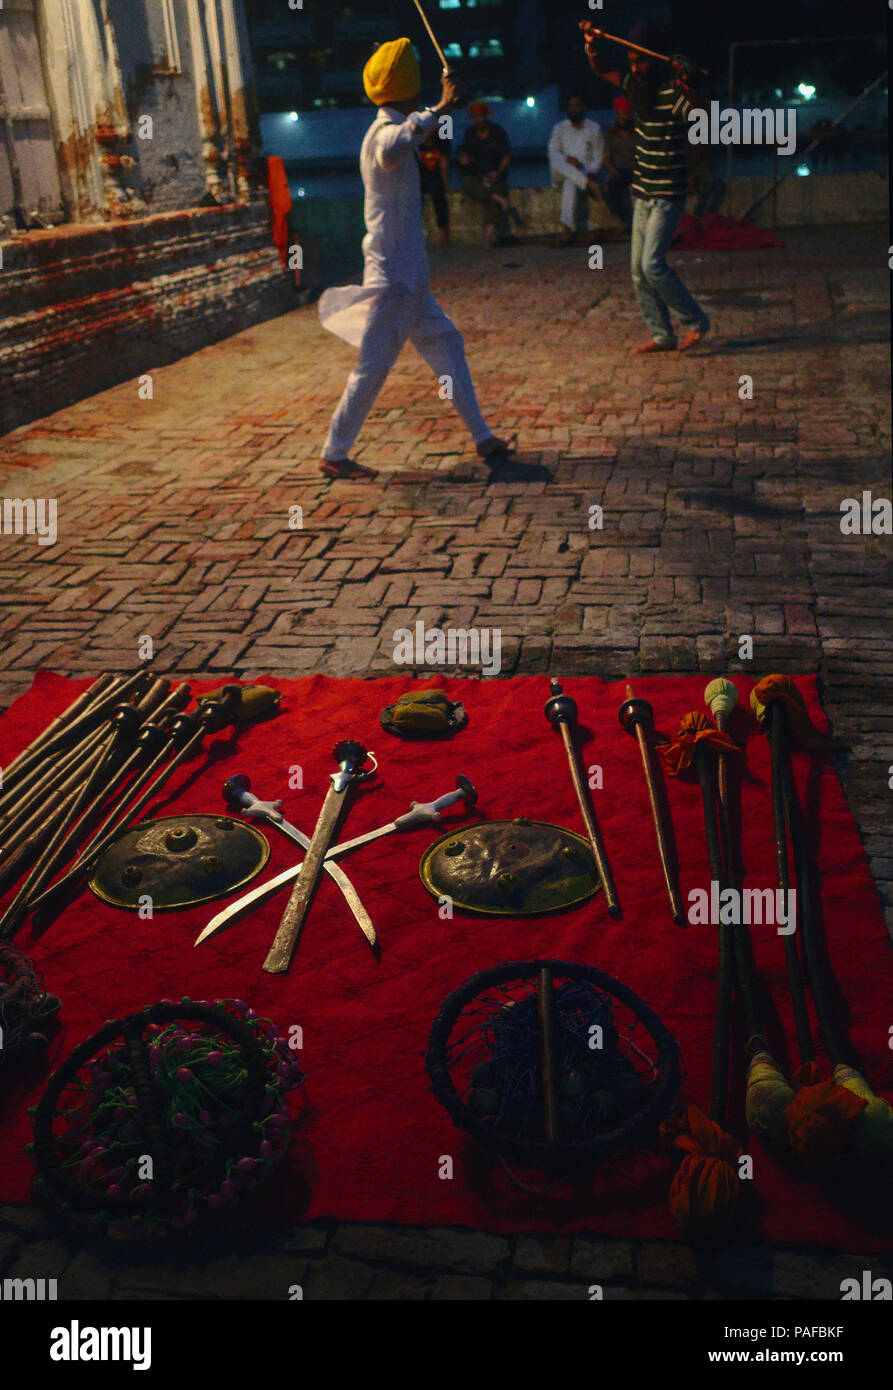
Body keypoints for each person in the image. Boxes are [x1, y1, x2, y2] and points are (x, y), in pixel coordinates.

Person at [317, 39, 512, 480]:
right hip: (393, 279)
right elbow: (397, 143)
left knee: (446, 344)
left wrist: (440, 104)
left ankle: (483, 437)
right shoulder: (384, 135)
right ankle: (334, 451)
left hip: (409, 276)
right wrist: (443, 104)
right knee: (372, 368)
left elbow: (413, 127)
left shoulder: (396, 121)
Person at [582, 19, 710, 353]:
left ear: (657, 59)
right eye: (633, 61)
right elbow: (601, 70)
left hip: (668, 193)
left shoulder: (674, 93)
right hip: (642, 190)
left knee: (653, 265)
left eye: (642, 61)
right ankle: (662, 334)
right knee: (638, 271)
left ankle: (695, 322)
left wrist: (692, 91)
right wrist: (592, 45)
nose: (636, 67)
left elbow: (702, 119)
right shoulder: (635, 88)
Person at [458, 101, 523, 247]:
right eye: (474, 117)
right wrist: (466, 161)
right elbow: (465, 157)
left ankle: (488, 235)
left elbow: (506, 156)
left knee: (497, 193)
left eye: (480, 116)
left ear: (485, 116)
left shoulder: (497, 131)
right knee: (469, 184)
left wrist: (497, 172)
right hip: (477, 175)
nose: (478, 120)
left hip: (496, 175)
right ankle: (497, 198)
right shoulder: (469, 134)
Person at [547, 96, 608, 245]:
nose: (574, 109)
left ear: (583, 107)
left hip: (584, 172)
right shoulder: (559, 128)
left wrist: (590, 172)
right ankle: (590, 184)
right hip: (560, 173)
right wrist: (567, 159)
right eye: (571, 105)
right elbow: (552, 152)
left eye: (577, 105)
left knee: (571, 182)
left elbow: (598, 157)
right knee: (555, 160)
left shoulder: (594, 128)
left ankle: (567, 228)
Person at [602, 96, 636, 228]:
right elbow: (606, 157)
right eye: (619, 114)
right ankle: (622, 220)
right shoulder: (611, 134)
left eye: (624, 114)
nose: (621, 117)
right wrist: (611, 169)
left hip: (634, 169)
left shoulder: (636, 132)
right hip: (618, 169)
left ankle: (629, 222)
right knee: (612, 187)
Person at [419, 124, 451, 248]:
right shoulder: (417, 142)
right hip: (421, 178)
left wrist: (447, 185)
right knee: (417, 201)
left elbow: (444, 164)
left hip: (435, 178)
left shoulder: (441, 140)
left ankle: (444, 236)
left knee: (439, 198)